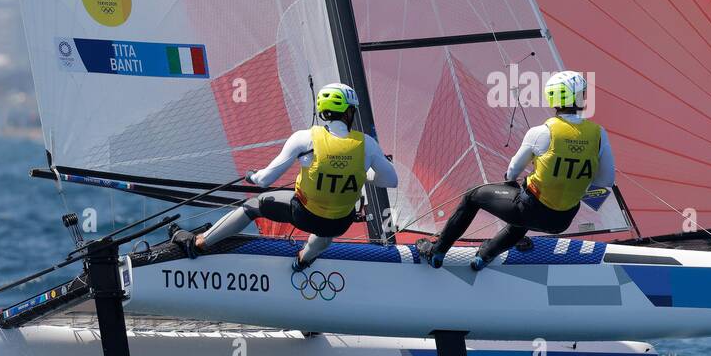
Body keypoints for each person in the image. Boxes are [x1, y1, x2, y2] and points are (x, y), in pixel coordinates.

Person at [172, 83, 398, 272]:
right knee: (329, 227)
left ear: (323, 112)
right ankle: (304, 260)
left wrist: (252, 176)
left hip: (304, 215)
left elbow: (264, 181)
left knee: (252, 207)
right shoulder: (367, 144)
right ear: (350, 112)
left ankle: (199, 243)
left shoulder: (305, 138)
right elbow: (390, 181)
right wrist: (361, 174)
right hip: (340, 223)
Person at [417, 70, 613, 271]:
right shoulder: (599, 134)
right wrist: (570, 193)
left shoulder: (541, 132)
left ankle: (436, 252)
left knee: (474, 196)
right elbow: (606, 180)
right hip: (562, 221)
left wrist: (515, 183)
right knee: (522, 213)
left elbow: (512, 172)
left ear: (552, 98)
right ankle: (483, 257)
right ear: (581, 97)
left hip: (529, 210)